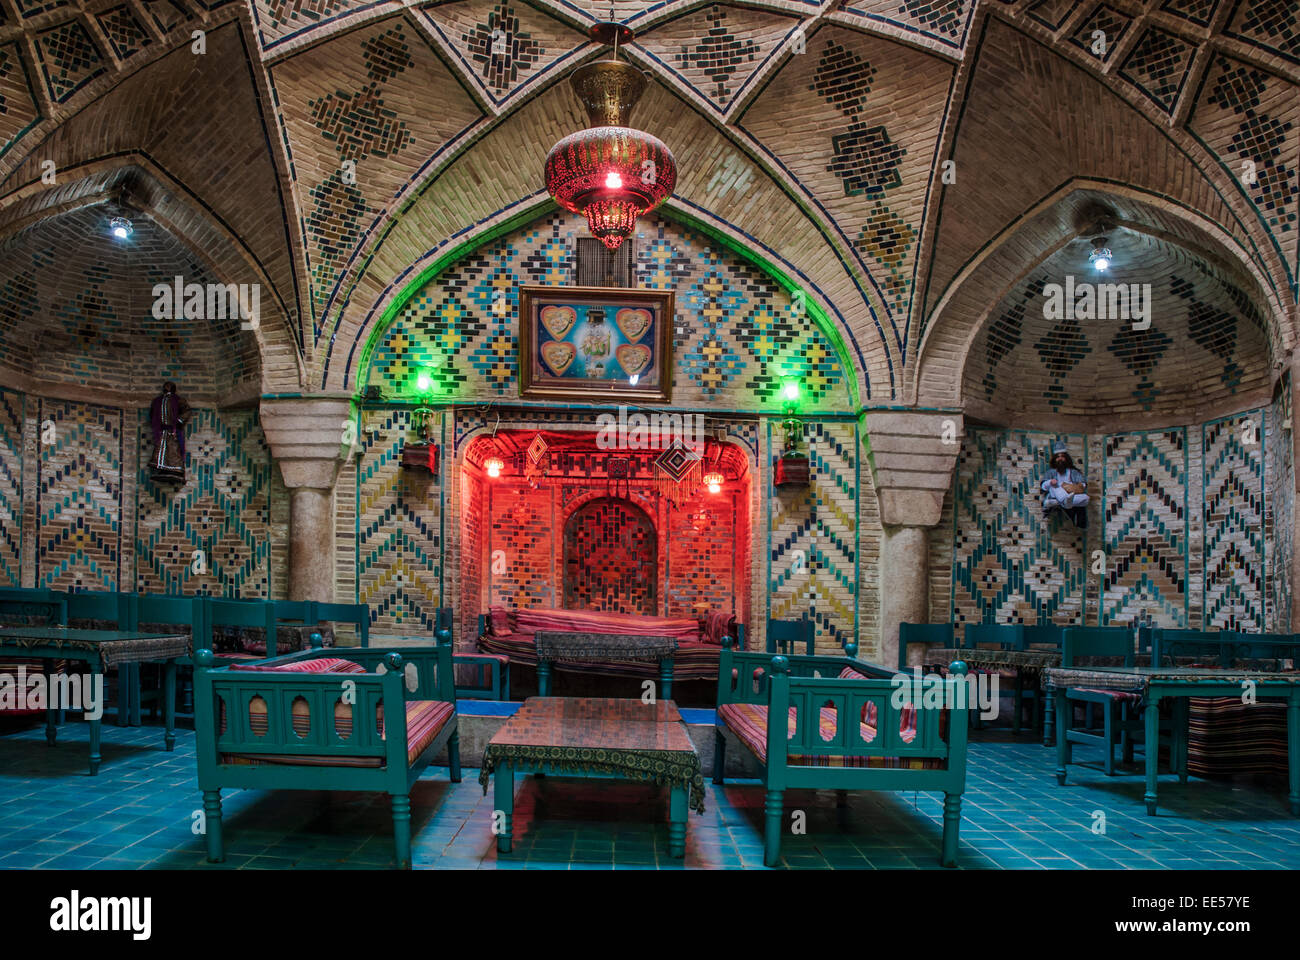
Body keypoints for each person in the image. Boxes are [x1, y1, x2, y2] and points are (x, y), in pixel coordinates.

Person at [149, 381, 190, 484]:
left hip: (173, 430)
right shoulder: (158, 401)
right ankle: (162, 468)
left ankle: (175, 470)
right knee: (161, 450)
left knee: (173, 451)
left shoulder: (178, 400)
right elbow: (152, 413)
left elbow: (187, 411)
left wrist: (179, 421)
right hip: (162, 431)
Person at [1041, 441, 1088, 528]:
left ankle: (1062, 502)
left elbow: (1083, 484)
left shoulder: (1073, 472)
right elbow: (1043, 486)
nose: (1060, 459)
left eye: (1062, 456)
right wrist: (1050, 482)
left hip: (1071, 494)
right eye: (1058, 457)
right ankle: (1064, 501)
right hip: (1056, 494)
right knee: (1055, 487)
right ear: (1055, 459)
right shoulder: (1051, 472)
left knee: (1085, 498)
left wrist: (1075, 487)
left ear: (1066, 458)